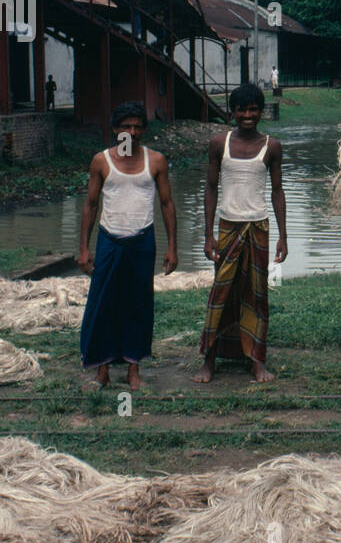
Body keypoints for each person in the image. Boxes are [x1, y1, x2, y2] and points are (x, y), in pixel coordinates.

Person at [77, 101, 178, 390]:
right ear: (114, 130)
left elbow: (167, 203)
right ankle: (102, 370)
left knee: (139, 304)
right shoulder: (101, 161)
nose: (131, 132)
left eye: (137, 126)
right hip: (109, 240)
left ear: (144, 130)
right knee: (103, 303)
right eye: (125, 127)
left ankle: (134, 370)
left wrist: (173, 247)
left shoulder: (156, 161)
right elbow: (90, 205)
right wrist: (84, 249)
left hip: (143, 241)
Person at [196, 83, 287, 384]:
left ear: (261, 112)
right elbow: (210, 188)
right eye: (242, 110)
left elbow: (277, 191)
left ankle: (256, 360)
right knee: (221, 293)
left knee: (256, 295)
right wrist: (208, 234)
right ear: (232, 112)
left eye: (253, 109)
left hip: (258, 227)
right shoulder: (217, 143)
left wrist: (283, 236)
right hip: (228, 227)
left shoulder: (271, 146)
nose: (248, 115)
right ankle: (209, 361)